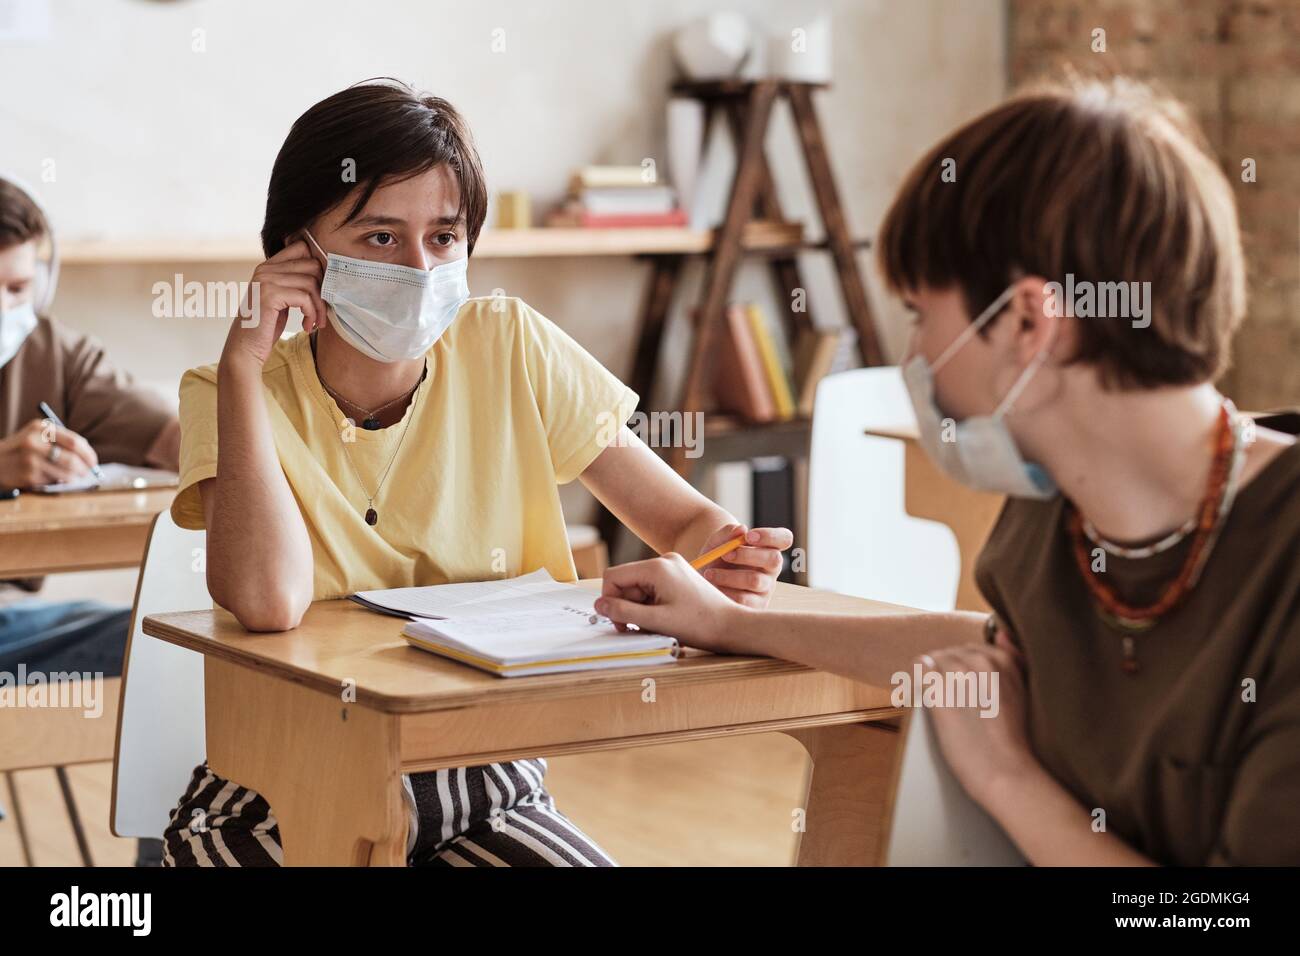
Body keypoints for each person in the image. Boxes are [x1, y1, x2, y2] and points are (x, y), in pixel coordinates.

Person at [596, 77, 1300, 866]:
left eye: (920, 315)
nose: (915, 358)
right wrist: (730, 624)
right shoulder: (1057, 508)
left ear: (1030, 323)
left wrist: (1008, 781)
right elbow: (995, 654)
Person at [160, 79, 793, 867]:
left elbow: (691, 525)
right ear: (298, 250)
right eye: (380, 238)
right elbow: (266, 601)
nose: (420, 268)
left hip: (486, 795)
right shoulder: (228, 390)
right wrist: (246, 360)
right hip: (271, 799)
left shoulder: (510, 345)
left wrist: (727, 557)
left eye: (445, 237)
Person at [0, 175, 179, 686]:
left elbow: (172, 436)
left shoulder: (55, 352)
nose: (4, 311)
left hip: (7, 620)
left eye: (17, 289)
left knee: (163, 638)